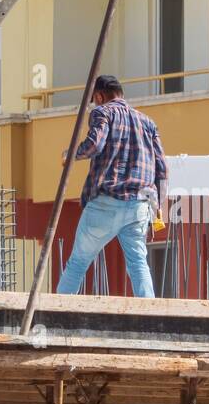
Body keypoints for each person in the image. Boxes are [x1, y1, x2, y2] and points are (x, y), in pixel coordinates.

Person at [56, 75, 168, 298]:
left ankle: (54, 312)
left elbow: (94, 144)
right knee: (138, 263)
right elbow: (162, 168)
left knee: (78, 261)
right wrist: (158, 206)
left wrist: (70, 155)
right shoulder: (147, 122)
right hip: (140, 204)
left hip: (106, 202)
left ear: (99, 96)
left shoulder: (102, 112)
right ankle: (150, 316)